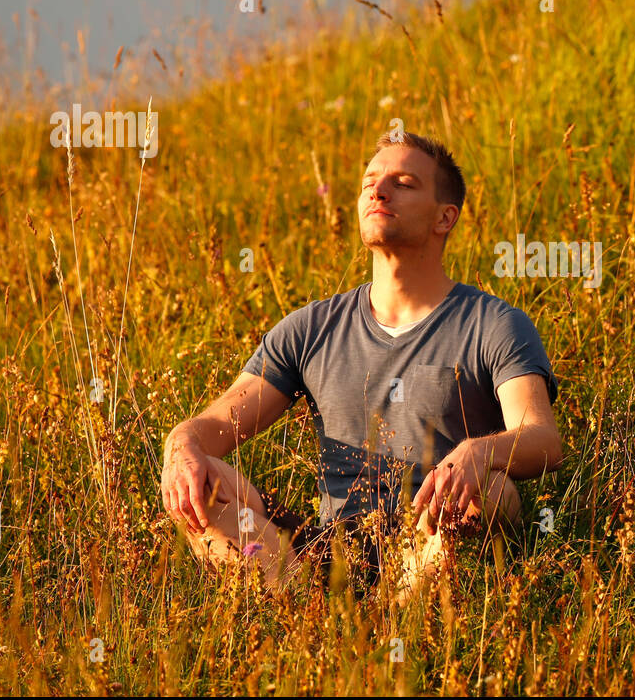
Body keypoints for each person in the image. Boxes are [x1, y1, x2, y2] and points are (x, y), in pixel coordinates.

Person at [159, 131, 563, 596]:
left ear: (444, 217)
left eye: (404, 182)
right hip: (325, 548)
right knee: (198, 482)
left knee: (491, 491)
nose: (378, 190)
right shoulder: (310, 327)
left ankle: (407, 612)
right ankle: (299, 610)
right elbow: (215, 424)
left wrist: (478, 453)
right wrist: (182, 445)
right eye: (370, 181)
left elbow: (543, 439)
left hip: (429, 533)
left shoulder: (495, 324)